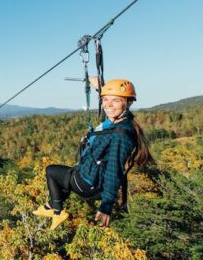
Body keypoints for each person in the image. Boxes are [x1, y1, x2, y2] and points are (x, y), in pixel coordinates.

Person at [33, 79, 153, 229]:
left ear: (128, 103)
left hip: (87, 183)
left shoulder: (121, 135)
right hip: (93, 179)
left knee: (51, 171)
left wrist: (106, 205)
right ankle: (50, 206)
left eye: (115, 101)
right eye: (105, 100)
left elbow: (114, 170)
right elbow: (111, 112)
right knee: (63, 180)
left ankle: (57, 211)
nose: (108, 105)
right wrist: (100, 88)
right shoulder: (121, 122)